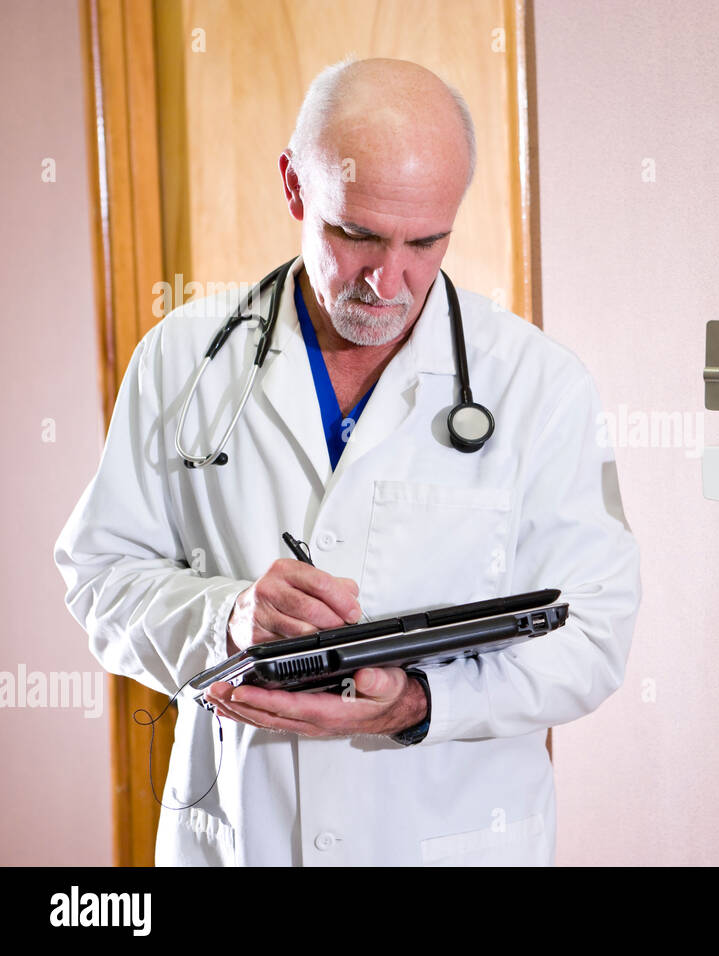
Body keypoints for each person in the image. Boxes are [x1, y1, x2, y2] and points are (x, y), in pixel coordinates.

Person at [53, 58, 640, 865]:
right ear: (295, 189)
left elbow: (595, 634)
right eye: (355, 234)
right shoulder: (181, 359)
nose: (387, 280)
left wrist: (418, 702)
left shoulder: (540, 386)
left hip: (450, 839)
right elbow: (101, 578)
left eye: (425, 242)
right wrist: (227, 618)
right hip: (241, 838)